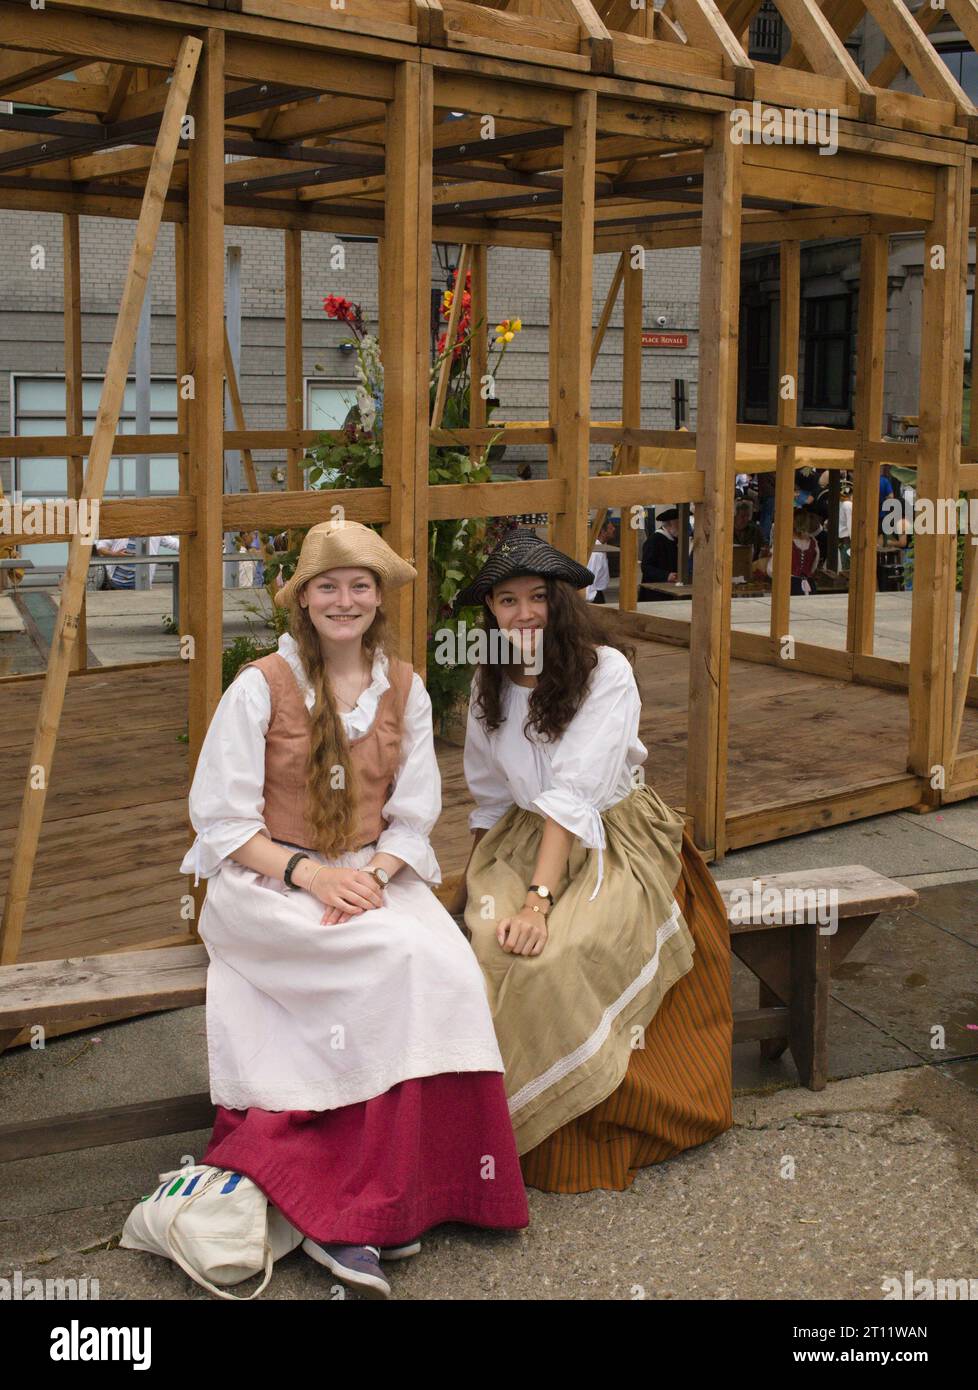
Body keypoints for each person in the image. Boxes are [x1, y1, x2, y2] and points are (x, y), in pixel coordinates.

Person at [180, 518, 528, 1298]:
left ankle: (414, 1189)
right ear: (304, 600)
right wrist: (311, 875)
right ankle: (335, 1201)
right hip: (269, 879)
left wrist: (372, 875)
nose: (345, 600)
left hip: (367, 873)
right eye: (328, 586)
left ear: (379, 599)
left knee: (443, 965)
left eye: (360, 586)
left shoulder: (402, 687)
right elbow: (224, 823)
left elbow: (412, 816)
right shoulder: (259, 685)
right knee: (381, 961)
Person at [448, 528, 733, 1193]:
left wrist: (537, 903)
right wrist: (478, 892)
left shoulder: (606, 670)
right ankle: (474, 1141)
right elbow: (490, 803)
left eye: (537, 598)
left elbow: (575, 797)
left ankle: (551, 1131)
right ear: (490, 611)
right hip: (522, 839)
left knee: (554, 959)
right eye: (506, 600)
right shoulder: (488, 684)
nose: (522, 614)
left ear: (563, 601)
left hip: (614, 838)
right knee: (480, 949)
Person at [766, 504, 822, 594]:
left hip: (789, 586)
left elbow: (771, 570)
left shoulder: (784, 542)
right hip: (809, 586)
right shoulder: (813, 543)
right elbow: (813, 567)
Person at [94, 534, 179, 589]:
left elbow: (175, 544)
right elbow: (100, 547)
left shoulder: (155, 532)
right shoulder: (119, 528)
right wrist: (114, 554)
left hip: (141, 586)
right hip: (114, 585)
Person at [639, 506, 687, 601]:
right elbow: (646, 567)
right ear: (669, 525)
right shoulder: (655, 540)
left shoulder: (674, 539)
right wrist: (666, 575)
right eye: (678, 524)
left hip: (669, 591)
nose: (682, 528)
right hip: (654, 594)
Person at [585, 517, 615, 603]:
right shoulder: (596, 552)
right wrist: (589, 598)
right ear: (602, 531)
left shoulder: (600, 549)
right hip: (593, 597)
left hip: (597, 594)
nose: (614, 529)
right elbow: (590, 575)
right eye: (610, 527)